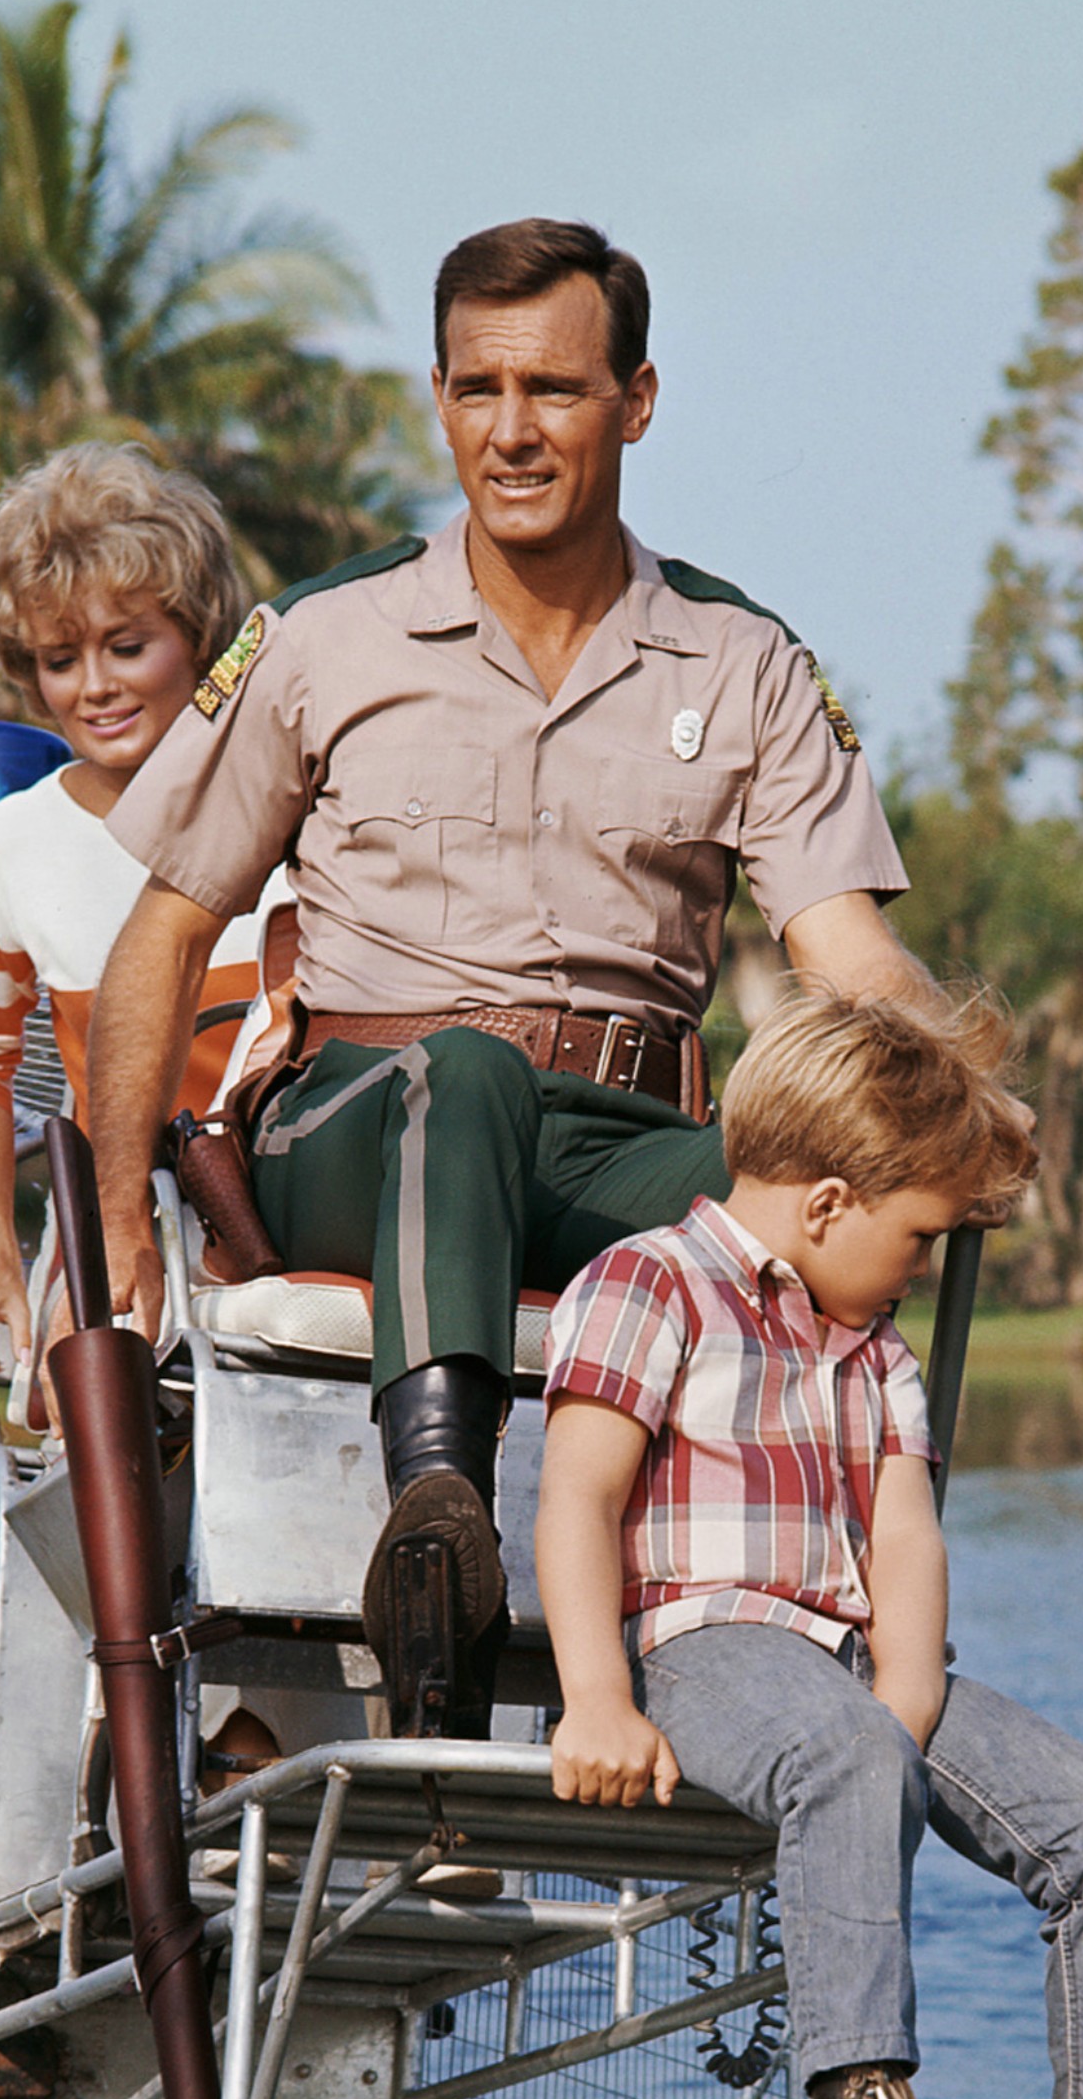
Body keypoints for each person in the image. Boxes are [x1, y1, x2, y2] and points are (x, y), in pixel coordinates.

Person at [82, 216, 950, 1734]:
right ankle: (440, 1552)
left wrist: (963, 1117)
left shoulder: (737, 661)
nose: (512, 431)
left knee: (810, 1188)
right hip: (358, 1123)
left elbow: (846, 954)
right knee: (465, 1079)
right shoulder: (324, 637)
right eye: (476, 389)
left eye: (552, 389)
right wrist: (113, 1223)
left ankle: (787, 1650)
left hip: (612, 1145)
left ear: (637, 398)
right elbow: (161, 928)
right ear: (437, 397)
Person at [532, 986, 1083, 2099]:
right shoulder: (649, 1285)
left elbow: (903, 1532)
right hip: (698, 1649)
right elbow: (575, 1501)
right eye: (921, 1236)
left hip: (850, 1670)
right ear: (830, 1205)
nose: (924, 1267)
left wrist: (904, 1703)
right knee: (842, 1752)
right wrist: (593, 1700)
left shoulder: (874, 1350)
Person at [0, 443, 276, 1378]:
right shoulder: (7, 848)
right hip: (118, 1250)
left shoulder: (292, 803)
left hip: (290, 1233)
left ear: (198, 637)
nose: (95, 686)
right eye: (58, 659)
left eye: (127, 646)